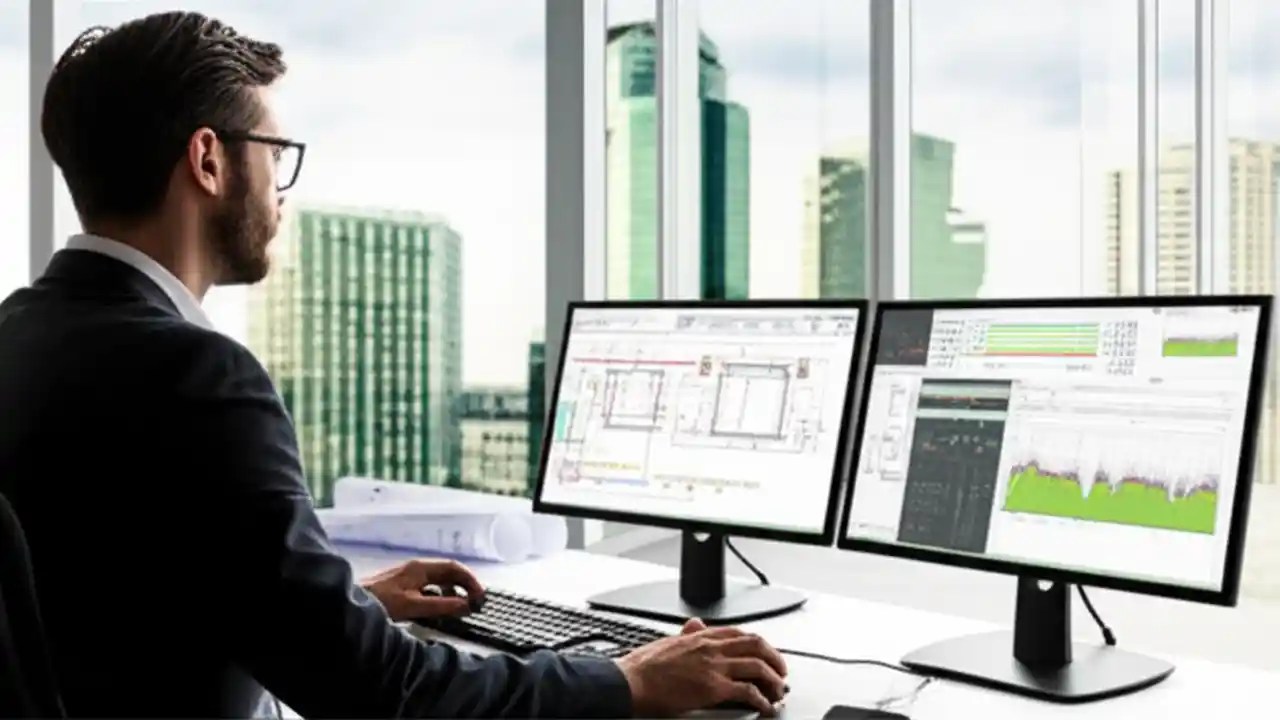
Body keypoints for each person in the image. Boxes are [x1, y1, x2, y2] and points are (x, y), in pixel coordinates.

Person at [0, 10, 788, 719]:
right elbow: (387, 696)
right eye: (277, 154)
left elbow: (111, 598)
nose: (282, 191)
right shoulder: (196, 376)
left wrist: (346, 605)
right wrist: (630, 680)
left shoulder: (21, 335)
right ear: (208, 160)